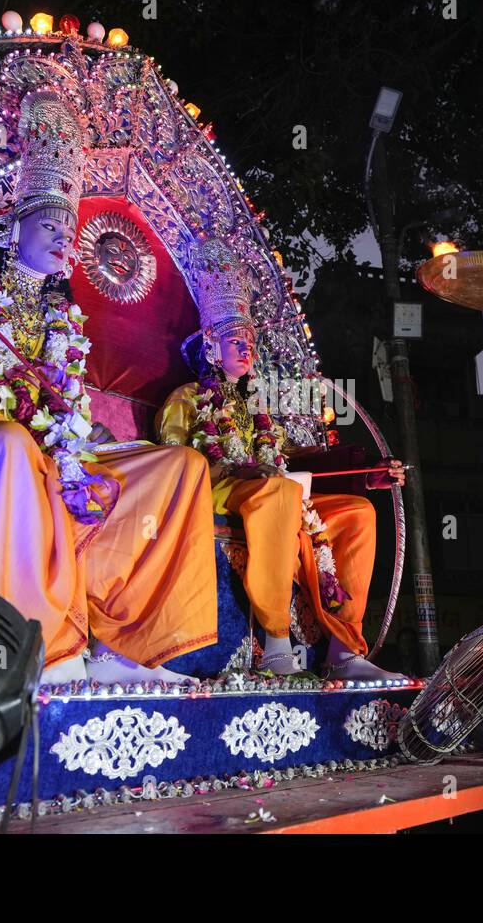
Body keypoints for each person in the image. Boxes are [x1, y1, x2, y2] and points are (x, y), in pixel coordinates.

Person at [0, 89, 217, 686]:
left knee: (181, 466)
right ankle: (30, 646)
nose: (64, 234)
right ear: (13, 230)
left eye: (69, 224)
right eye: (49, 223)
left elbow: (71, 405)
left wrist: (98, 431)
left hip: (60, 439)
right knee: (14, 447)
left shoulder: (69, 317)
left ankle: (123, 645)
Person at [156, 252, 404, 680]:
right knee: (279, 491)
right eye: (235, 339)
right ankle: (275, 638)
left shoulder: (259, 408)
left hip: (275, 489)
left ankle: (344, 649)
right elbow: (172, 459)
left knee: (356, 513)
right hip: (219, 488)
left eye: (250, 340)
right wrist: (240, 472)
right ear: (211, 345)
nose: (245, 347)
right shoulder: (187, 397)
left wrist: (367, 475)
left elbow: (293, 457)